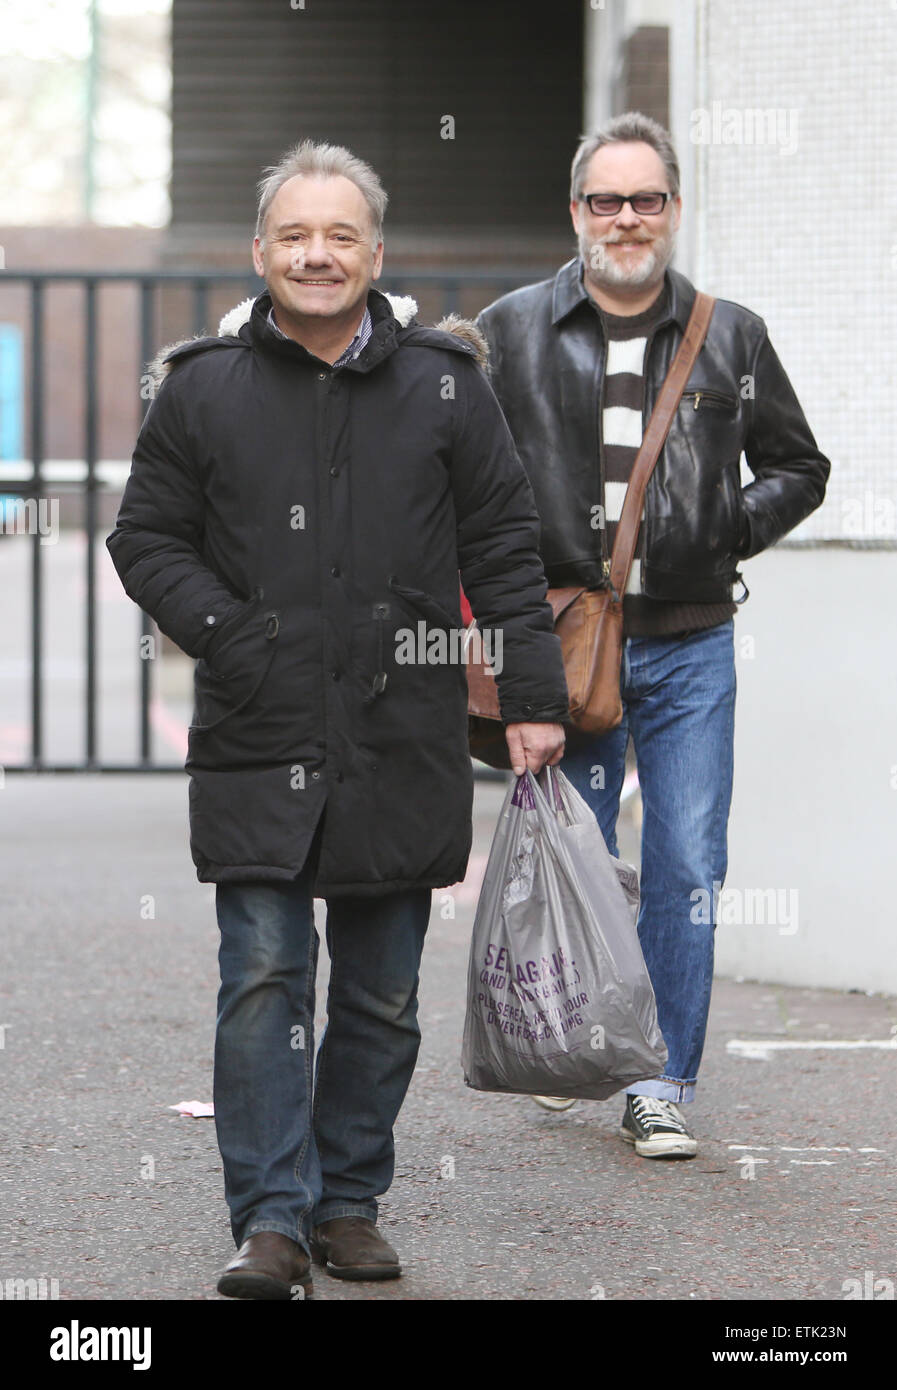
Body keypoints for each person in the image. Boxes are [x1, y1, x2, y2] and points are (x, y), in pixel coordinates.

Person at [107, 139, 567, 1298]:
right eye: (296, 235)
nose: (319, 254)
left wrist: (531, 700)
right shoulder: (203, 384)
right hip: (259, 729)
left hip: (397, 731)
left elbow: (507, 550)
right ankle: (269, 1217)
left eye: (342, 234)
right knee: (263, 974)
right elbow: (143, 535)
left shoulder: (446, 384)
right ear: (260, 251)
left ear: (376, 250)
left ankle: (348, 1200)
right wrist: (229, 630)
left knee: (382, 988)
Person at [476, 112, 830, 1158]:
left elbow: (800, 468)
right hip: (562, 639)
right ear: (575, 210)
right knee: (575, 854)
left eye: (647, 200)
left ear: (674, 209)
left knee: (686, 860)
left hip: (690, 639)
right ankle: (578, 1039)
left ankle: (658, 1077)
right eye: (606, 200)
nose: (626, 219)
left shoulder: (733, 334)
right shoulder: (511, 330)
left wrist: (724, 530)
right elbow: (470, 484)